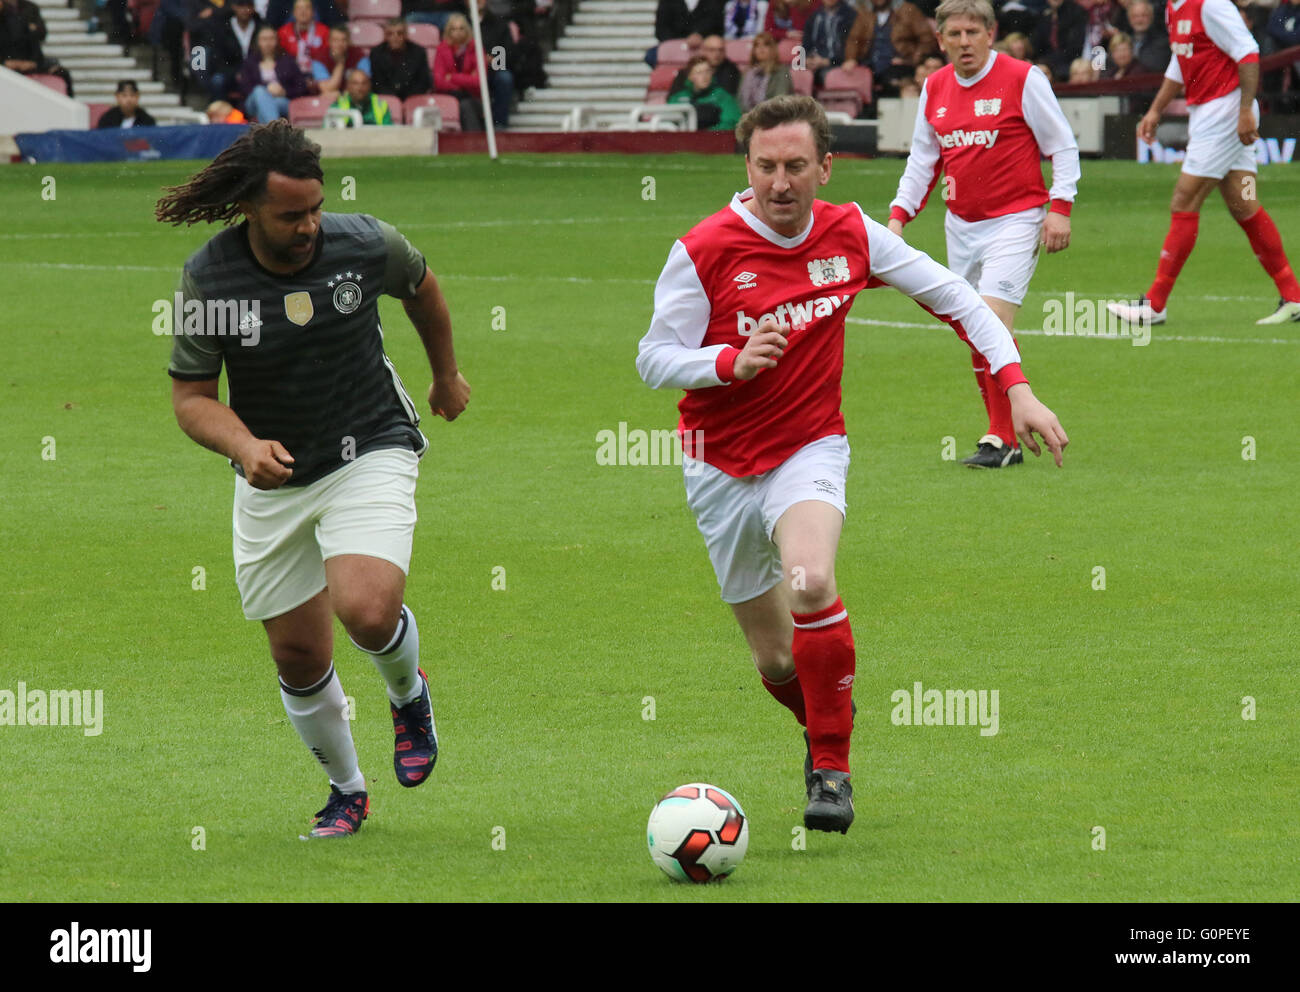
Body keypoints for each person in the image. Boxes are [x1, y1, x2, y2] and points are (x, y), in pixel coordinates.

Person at [638, 95, 1067, 835]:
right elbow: (653, 358)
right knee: (777, 662)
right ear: (747, 167)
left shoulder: (851, 233)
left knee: (811, 580)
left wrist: (1017, 388)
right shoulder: (704, 248)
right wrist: (730, 362)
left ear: (825, 167)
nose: (780, 182)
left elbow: (959, 298)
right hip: (717, 464)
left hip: (809, 447)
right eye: (766, 166)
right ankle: (824, 712)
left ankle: (831, 767)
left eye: (796, 166)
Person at [157, 120, 470, 838]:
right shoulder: (213, 277)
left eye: (314, 209)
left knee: (366, 608)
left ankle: (407, 694)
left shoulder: (364, 244)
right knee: (298, 655)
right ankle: (346, 791)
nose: (308, 226)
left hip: (370, 446)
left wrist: (445, 374)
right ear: (250, 208)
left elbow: (421, 287)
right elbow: (191, 398)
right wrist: (244, 446)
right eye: (290, 215)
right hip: (272, 476)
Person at [888, 0, 1079, 469]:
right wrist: (897, 217)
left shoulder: (1022, 78)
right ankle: (1003, 429)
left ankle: (1002, 437)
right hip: (961, 226)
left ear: (991, 34)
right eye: (954, 34)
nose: (964, 41)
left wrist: (1060, 209)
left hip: (1016, 220)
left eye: (973, 32)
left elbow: (1063, 145)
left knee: (990, 319)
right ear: (940, 40)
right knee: (974, 328)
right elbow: (922, 160)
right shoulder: (934, 87)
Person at [1107, 0, 1300, 326]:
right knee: (1245, 204)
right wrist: (1156, 109)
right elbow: (1180, 62)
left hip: (1223, 114)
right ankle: (1293, 296)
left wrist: (1243, 111)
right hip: (1212, 113)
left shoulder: (1210, 4)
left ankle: (1154, 306)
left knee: (1185, 198)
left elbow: (1249, 52)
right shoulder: (1173, 7)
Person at [239, 24, 310, 121]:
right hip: (253, 101)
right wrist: (267, 90)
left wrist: (285, 91)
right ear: (258, 42)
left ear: (277, 41)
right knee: (259, 91)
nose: (268, 43)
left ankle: (269, 130)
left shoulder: (287, 60)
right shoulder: (250, 62)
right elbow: (244, 87)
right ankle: (275, 128)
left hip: (282, 99)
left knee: (268, 106)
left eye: (271, 39)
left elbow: (301, 85)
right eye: (264, 39)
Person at [433, 13, 489, 130]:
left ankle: (474, 143)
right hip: (450, 96)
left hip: (473, 97)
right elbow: (438, 82)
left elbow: (479, 81)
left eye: (461, 28)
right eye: (453, 29)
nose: (457, 32)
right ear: (448, 31)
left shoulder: (477, 48)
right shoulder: (441, 49)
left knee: (466, 105)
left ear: (467, 30)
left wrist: (452, 77)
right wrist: (466, 80)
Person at [668, 53, 743, 128]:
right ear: (690, 76)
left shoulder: (722, 96)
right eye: (699, 72)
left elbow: (732, 122)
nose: (704, 76)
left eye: (707, 71)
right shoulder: (677, 98)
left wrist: (705, 134)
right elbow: (667, 121)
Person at [370, 17, 434, 101]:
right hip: (387, 100)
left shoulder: (419, 52)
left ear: (406, 35)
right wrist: (395, 101)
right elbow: (377, 84)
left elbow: (424, 82)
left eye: (399, 33)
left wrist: (407, 100)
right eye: (390, 34)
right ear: (385, 36)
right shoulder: (376, 53)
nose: (395, 37)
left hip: (412, 99)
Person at [803, 0, 857, 83]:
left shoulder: (850, 15)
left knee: (827, 76)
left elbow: (851, 46)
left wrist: (828, 62)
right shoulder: (814, 16)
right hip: (815, 62)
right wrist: (807, 59)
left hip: (838, 64)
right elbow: (806, 43)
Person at [739, 30, 794, 110]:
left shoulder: (782, 71)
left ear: (772, 48)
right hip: (748, 117)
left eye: (766, 44)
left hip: (773, 116)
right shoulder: (748, 72)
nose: (761, 48)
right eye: (757, 45)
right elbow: (740, 100)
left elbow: (780, 101)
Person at [313, 24, 371, 99]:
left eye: (344, 40)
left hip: (353, 98)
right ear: (329, 41)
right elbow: (326, 89)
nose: (340, 44)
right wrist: (340, 63)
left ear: (349, 41)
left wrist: (341, 96)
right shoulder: (319, 58)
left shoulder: (359, 56)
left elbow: (363, 85)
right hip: (332, 98)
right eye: (335, 40)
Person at [1034, 0, 1087, 80]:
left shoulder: (1075, 12)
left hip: (1070, 61)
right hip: (1048, 62)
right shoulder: (1043, 16)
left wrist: (1048, 60)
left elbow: (1075, 46)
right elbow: (1038, 45)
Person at [672, 33, 742, 93]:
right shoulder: (688, 69)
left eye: (721, 50)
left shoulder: (732, 71)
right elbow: (674, 96)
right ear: (703, 50)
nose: (717, 54)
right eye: (712, 50)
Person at [278, 0, 330, 79]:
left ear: (313, 12)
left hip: (317, 73)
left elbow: (327, 56)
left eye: (307, 8)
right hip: (292, 72)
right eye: (299, 8)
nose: (303, 11)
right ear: (294, 13)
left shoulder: (324, 31)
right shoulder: (283, 31)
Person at [1126, 1, 1172, 74]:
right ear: (1129, 19)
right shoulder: (1125, 39)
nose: (1139, 20)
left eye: (1144, 15)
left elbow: (1154, 66)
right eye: (1135, 16)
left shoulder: (1162, 42)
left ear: (1151, 17)